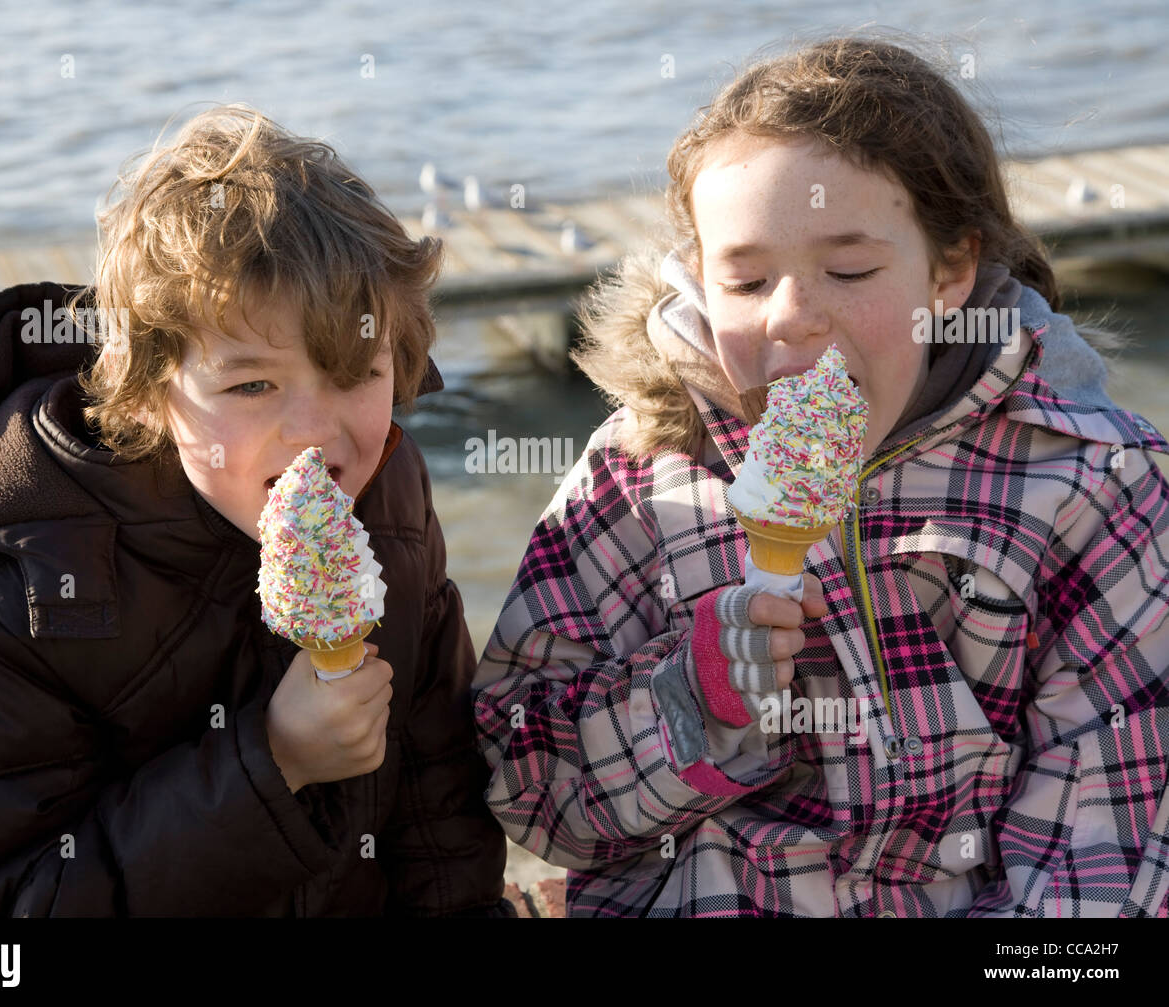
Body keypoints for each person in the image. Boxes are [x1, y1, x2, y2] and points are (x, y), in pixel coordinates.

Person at [472, 37, 1169, 917]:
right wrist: (694, 697)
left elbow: (1105, 855)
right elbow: (526, 786)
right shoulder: (642, 471)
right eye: (747, 277)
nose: (793, 317)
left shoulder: (1093, 487)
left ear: (950, 271)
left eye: (850, 269)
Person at [0, 105, 511, 916]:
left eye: (357, 371)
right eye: (251, 385)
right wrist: (268, 765)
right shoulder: (2, 610)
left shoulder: (389, 498)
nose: (317, 437)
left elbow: (440, 804)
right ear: (147, 392)